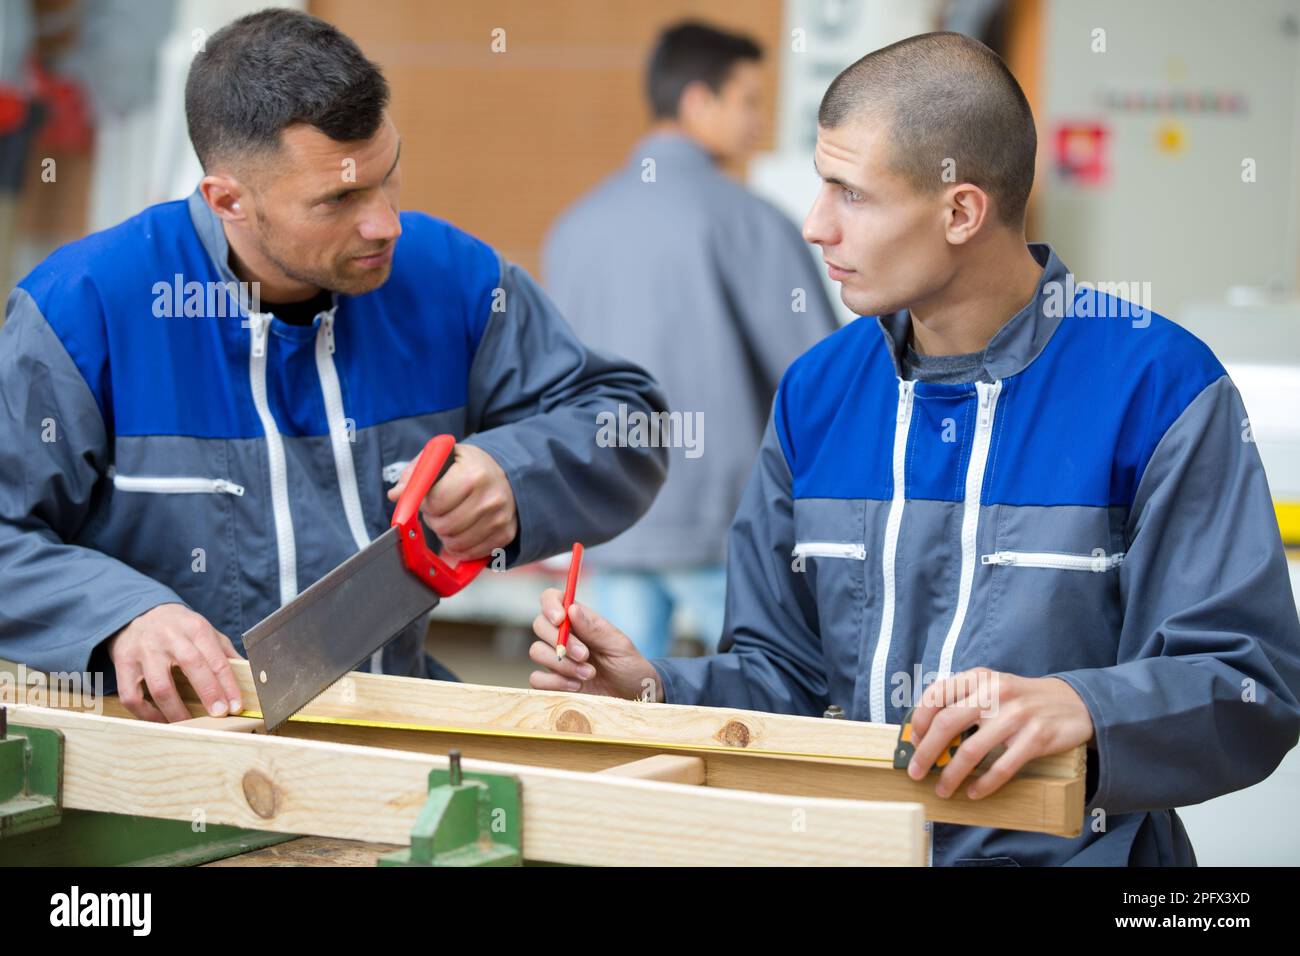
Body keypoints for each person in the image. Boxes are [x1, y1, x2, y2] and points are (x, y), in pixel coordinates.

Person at [528, 32, 1300, 866]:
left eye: (849, 194)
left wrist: (1086, 706)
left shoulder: (1160, 389)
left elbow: (1251, 684)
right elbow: (782, 677)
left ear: (961, 210)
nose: (816, 227)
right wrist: (654, 689)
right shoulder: (817, 393)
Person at [0, 8, 668, 723]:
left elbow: (632, 425)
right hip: (163, 770)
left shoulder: (455, 281)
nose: (385, 223)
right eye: (340, 199)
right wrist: (119, 616)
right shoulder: (85, 310)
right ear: (228, 200)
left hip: (386, 737)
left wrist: (518, 471)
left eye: (389, 175)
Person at [543, 21, 836, 659]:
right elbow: (821, 380)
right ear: (699, 101)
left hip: (611, 513)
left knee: (620, 708)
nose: (758, 122)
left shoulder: (573, 227)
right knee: (763, 704)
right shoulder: (751, 222)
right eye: (749, 102)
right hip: (723, 525)